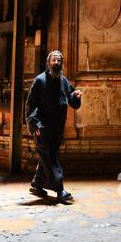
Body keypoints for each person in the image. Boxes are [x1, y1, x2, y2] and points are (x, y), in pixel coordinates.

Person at [25, 49, 82, 203]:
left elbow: (71, 98)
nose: (56, 63)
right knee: (51, 158)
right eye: (53, 60)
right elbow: (30, 105)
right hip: (41, 129)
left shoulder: (63, 80)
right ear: (48, 62)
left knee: (48, 156)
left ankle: (37, 184)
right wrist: (35, 125)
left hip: (57, 129)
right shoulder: (39, 81)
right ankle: (60, 190)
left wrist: (75, 96)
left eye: (58, 60)